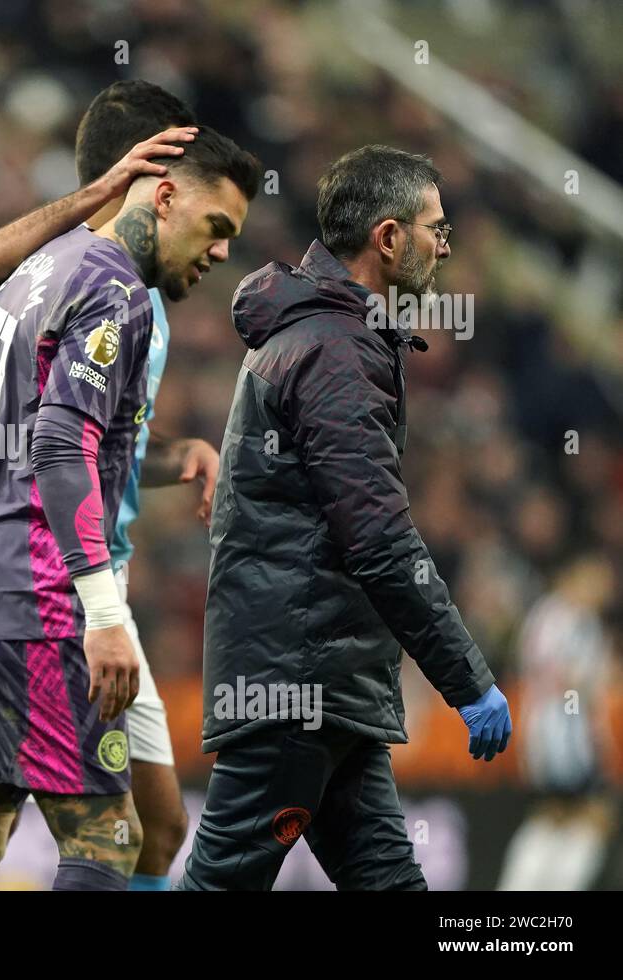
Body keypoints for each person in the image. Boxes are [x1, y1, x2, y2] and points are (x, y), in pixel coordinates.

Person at [0, 126, 261, 891]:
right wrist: (102, 612)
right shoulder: (118, 289)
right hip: (37, 600)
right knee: (110, 836)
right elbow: (63, 445)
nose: (222, 251)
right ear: (163, 198)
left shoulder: (39, 269)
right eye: (216, 228)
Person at [178, 144, 512, 891]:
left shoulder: (324, 337)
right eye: (436, 228)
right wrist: (467, 680)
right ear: (388, 238)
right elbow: (380, 539)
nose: (445, 245)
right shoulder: (336, 351)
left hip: (326, 685)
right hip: (299, 683)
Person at [498, 555, 617, 890]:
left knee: (551, 818)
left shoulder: (543, 616)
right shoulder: (571, 620)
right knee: (591, 817)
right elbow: (572, 682)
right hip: (565, 740)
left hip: (543, 735)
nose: (606, 588)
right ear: (575, 574)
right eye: (599, 578)